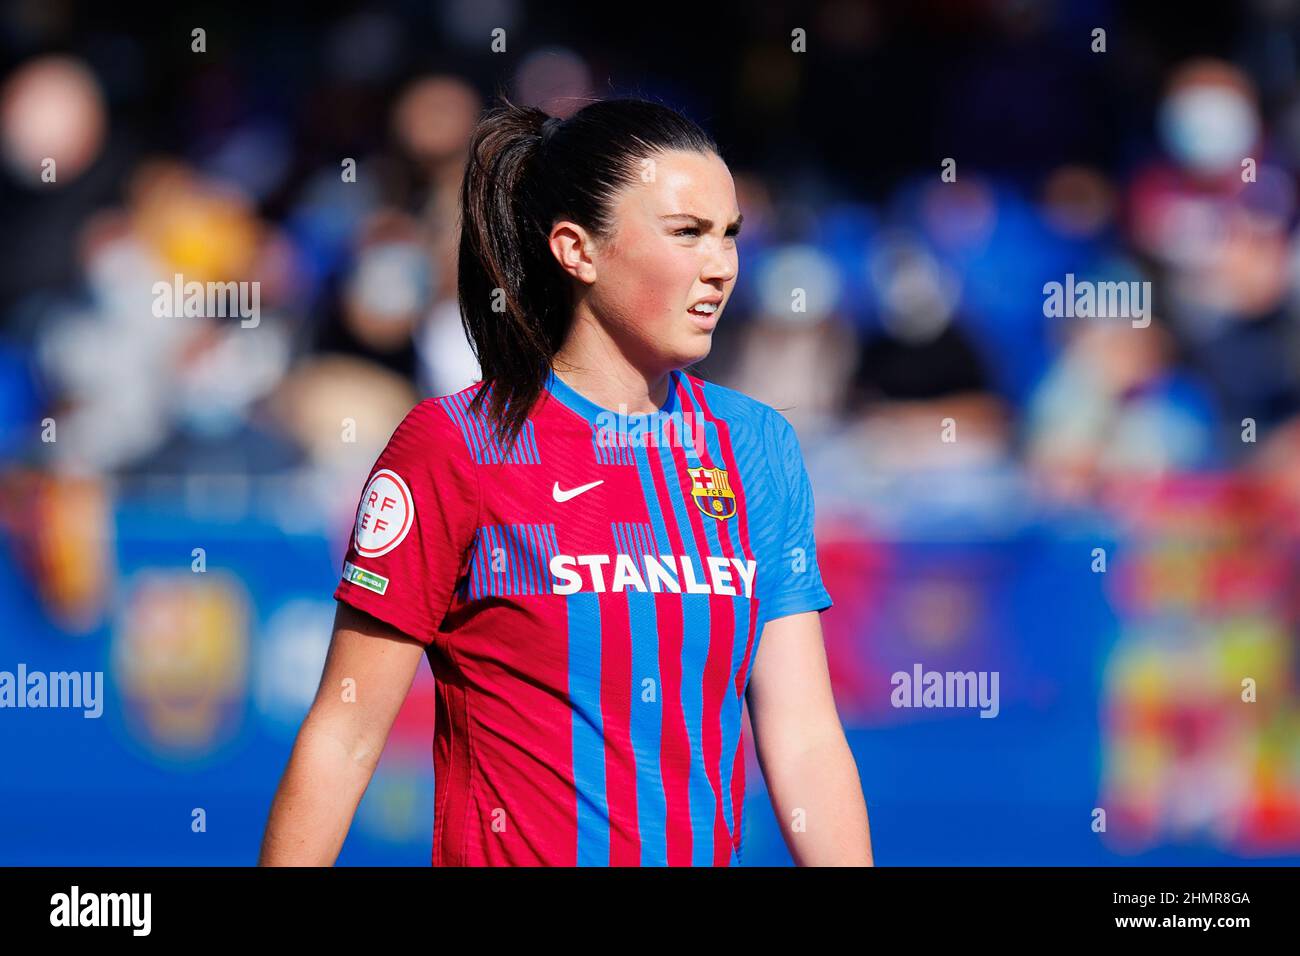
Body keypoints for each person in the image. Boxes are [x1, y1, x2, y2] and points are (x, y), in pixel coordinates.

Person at [259, 96, 872, 866]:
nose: (720, 265)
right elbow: (344, 734)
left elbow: (804, 733)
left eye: (728, 236)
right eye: (686, 233)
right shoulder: (456, 446)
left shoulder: (755, 448)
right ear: (576, 249)